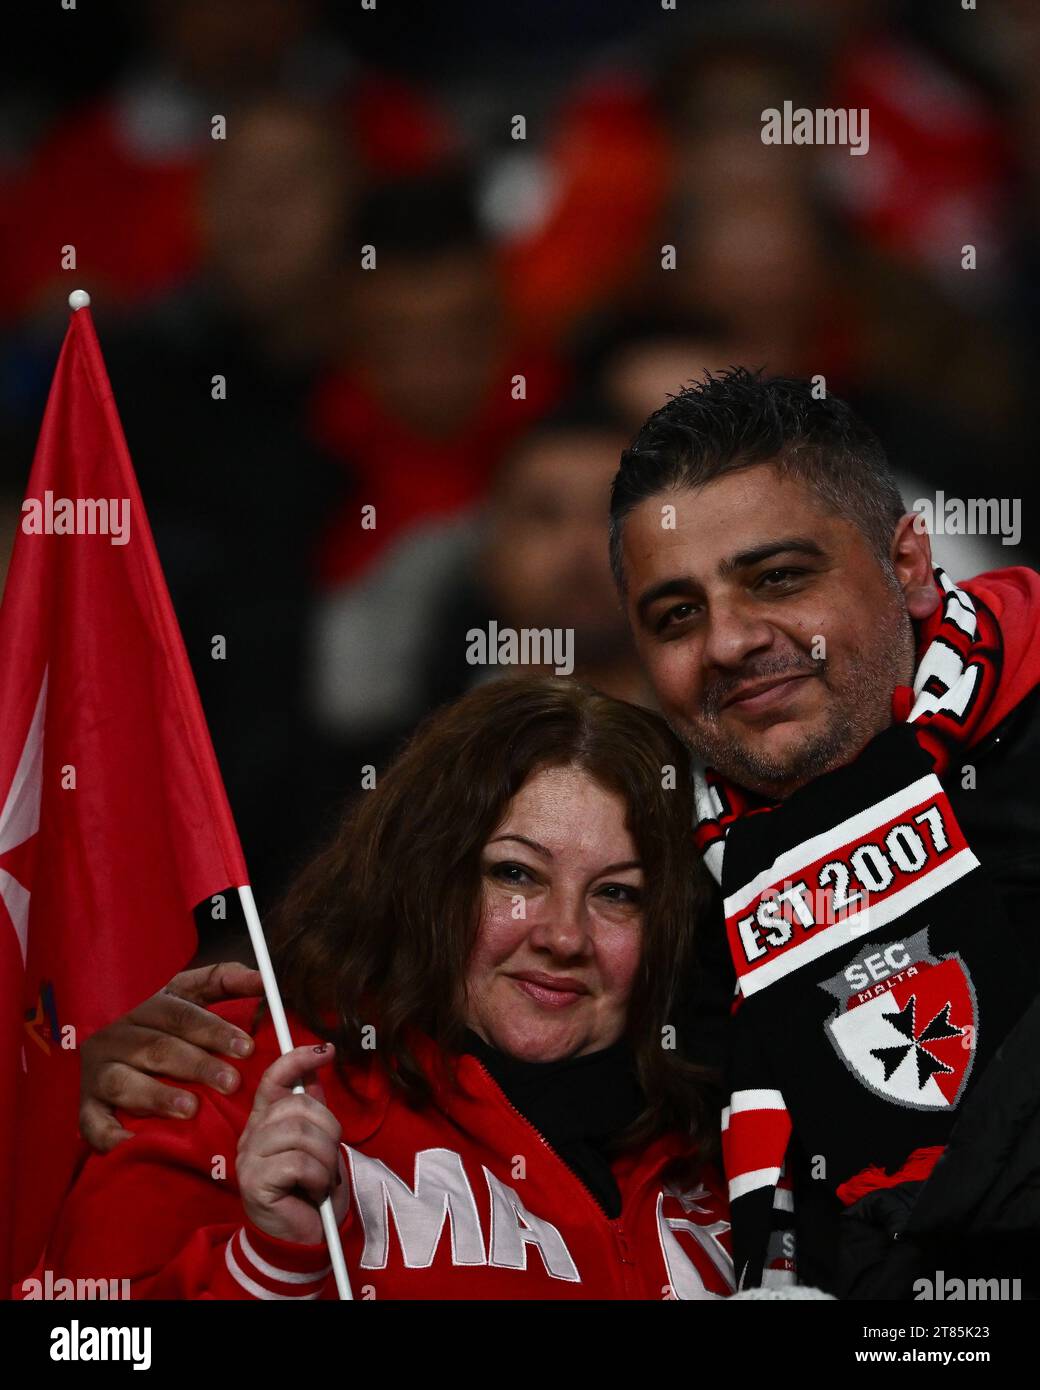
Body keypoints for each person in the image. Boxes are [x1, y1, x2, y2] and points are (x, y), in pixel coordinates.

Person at [45, 677, 732, 1301]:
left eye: (618, 894)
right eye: (516, 875)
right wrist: (270, 1268)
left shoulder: (730, 1139)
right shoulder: (221, 1074)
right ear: (425, 878)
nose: (562, 935)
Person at [610, 368, 1040, 1297]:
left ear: (910, 566)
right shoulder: (645, 887)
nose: (728, 642)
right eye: (678, 614)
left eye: (777, 577)